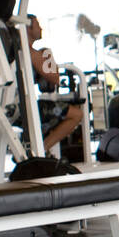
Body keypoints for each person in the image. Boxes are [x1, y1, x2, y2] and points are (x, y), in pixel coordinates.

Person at [26, 14, 84, 154]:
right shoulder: (31, 53)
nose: (40, 28)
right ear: (28, 28)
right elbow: (55, 78)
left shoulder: (25, 51)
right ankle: (41, 151)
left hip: (23, 105)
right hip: (23, 109)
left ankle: (39, 150)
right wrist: (48, 54)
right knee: (77, 114)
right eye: (37, 24)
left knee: (61, 109)